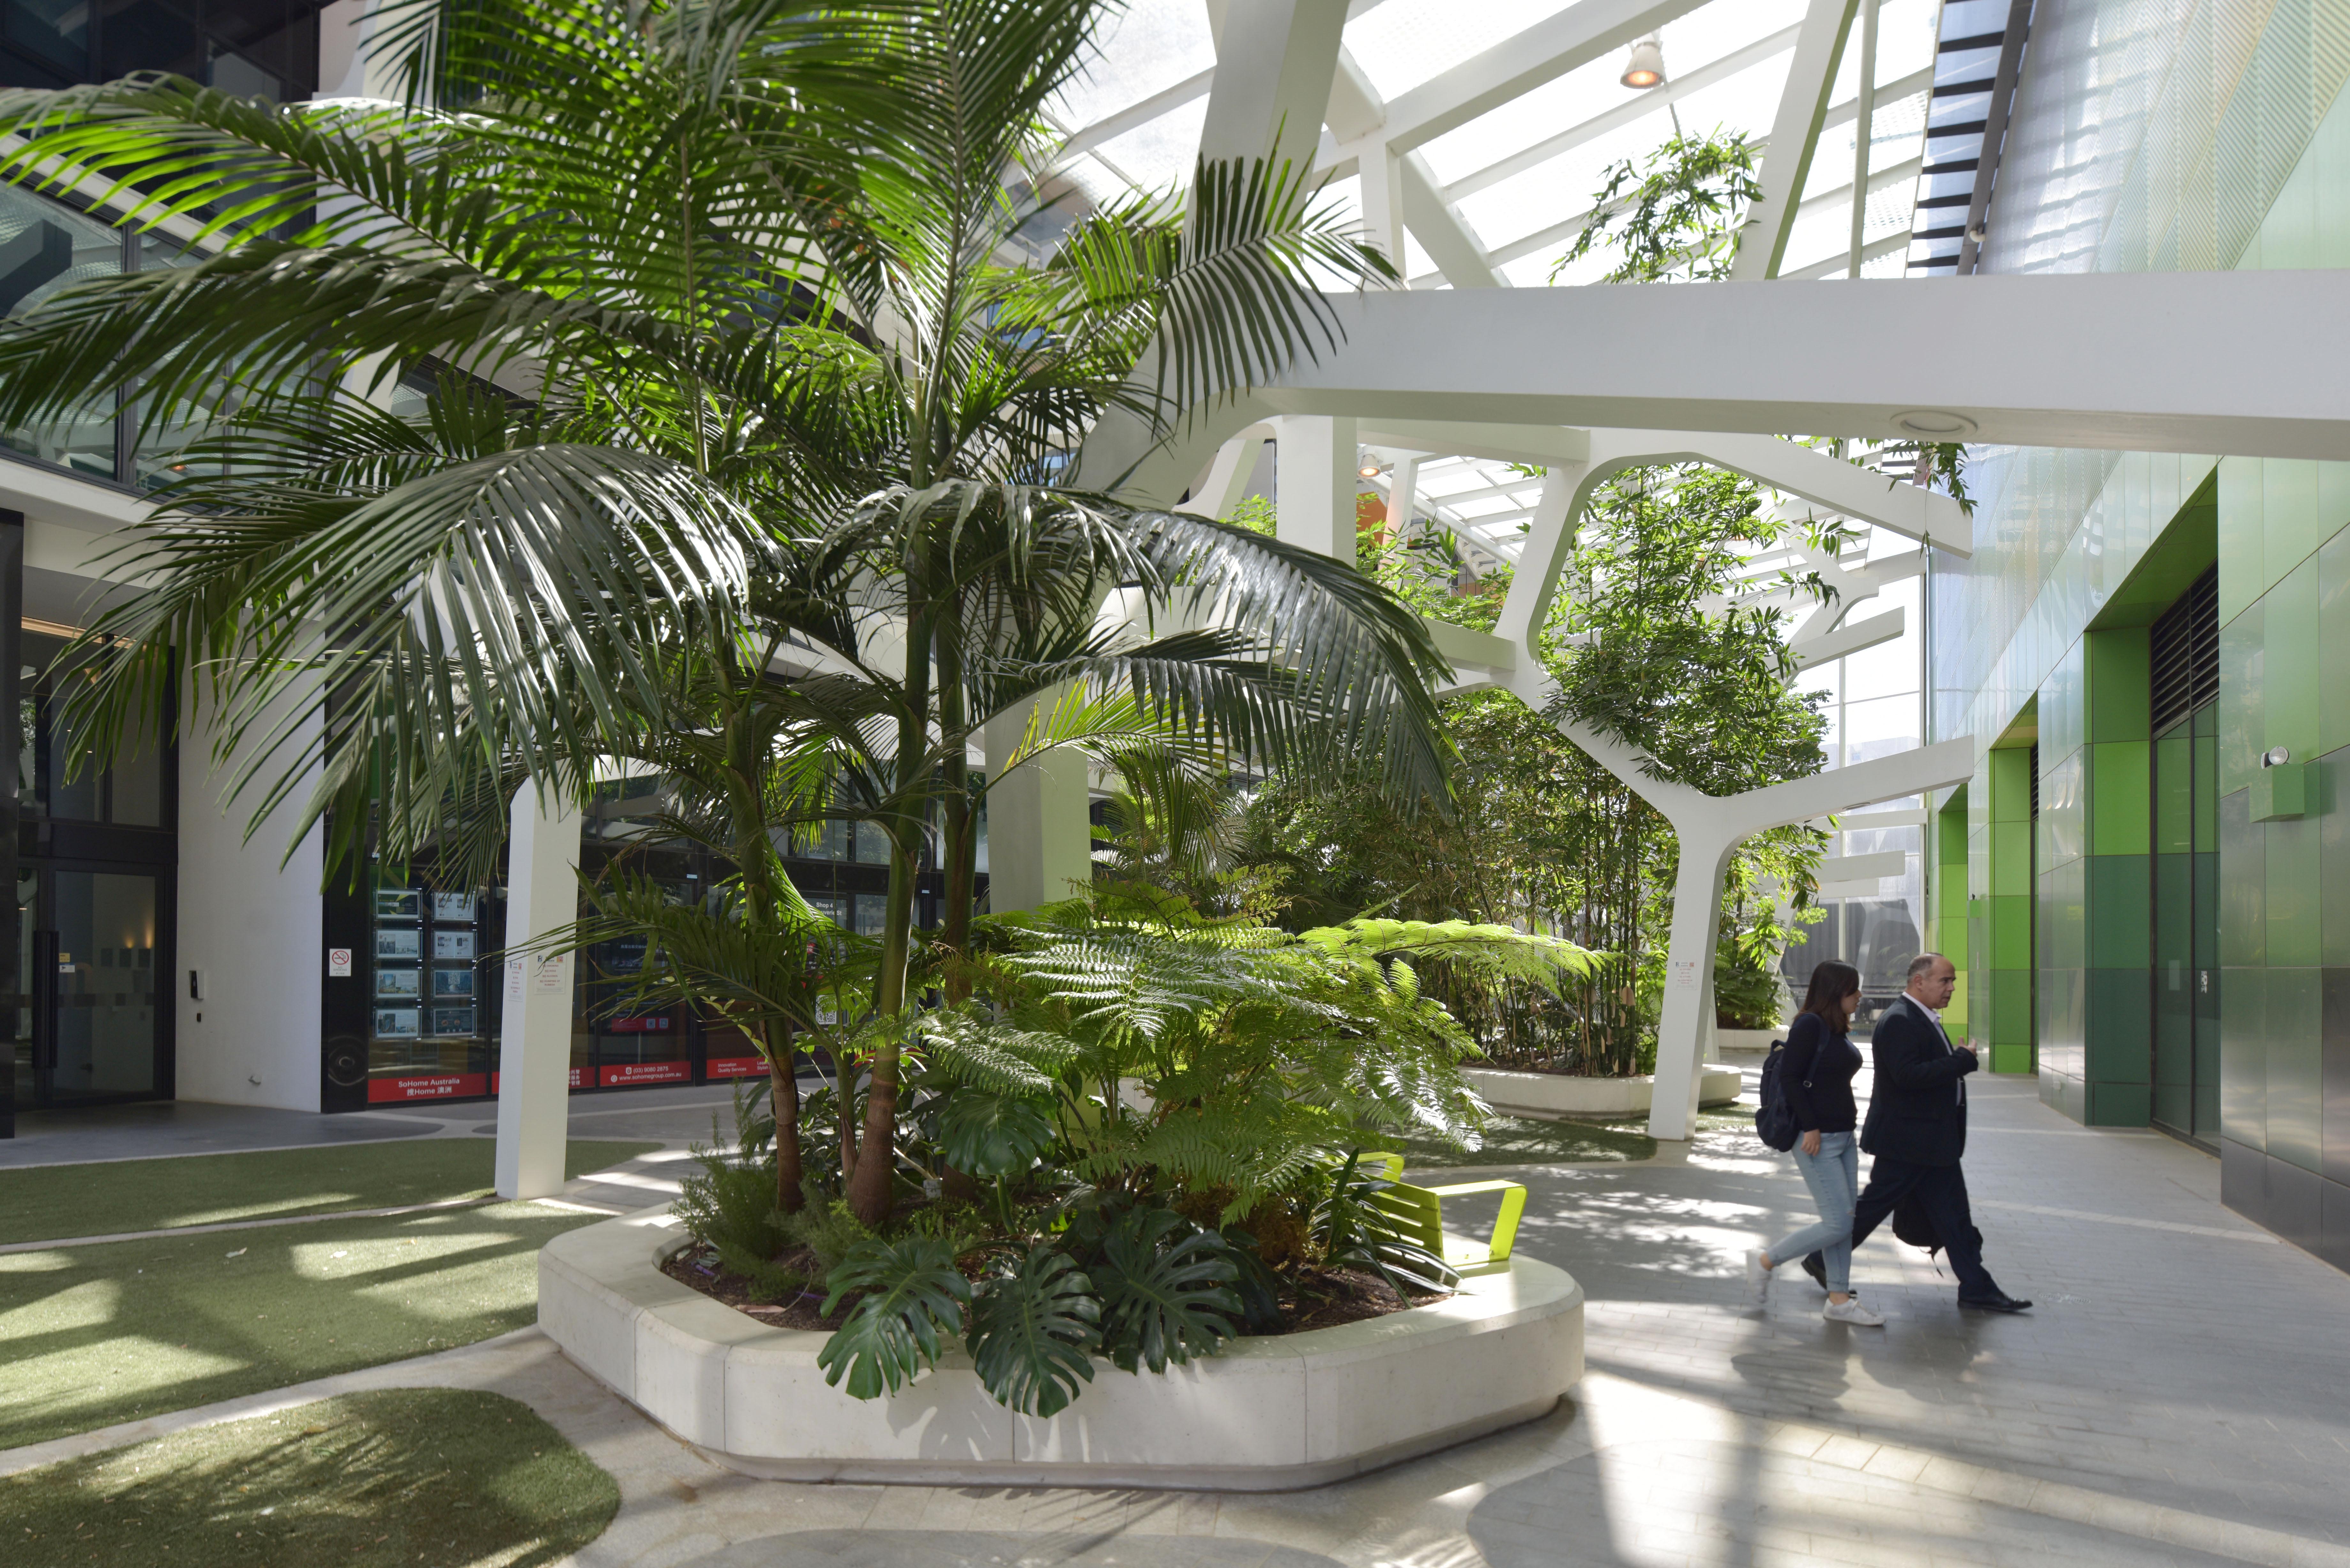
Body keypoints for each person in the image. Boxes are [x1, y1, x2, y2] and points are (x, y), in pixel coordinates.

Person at [1846, 952, 2032, 1313]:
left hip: (1929, 1144)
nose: (1951, 988)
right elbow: (1908, 1076)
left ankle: (1976, 1286)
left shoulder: (1919, 1017)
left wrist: (1956, 1061)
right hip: (1909, 1144)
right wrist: (1961, 1061)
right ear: (1919, 982)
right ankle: (1823, 1259)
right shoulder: (1901, 1020)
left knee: (1954, 1217)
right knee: (1873, 1209)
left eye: (1953, 982)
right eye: (1944, 981)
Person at [1745, 960, 1883, 1324]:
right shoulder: (1809, 1025)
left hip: (1843, 1138)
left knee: (1844, 1221)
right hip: (1816, 1141)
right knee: (1837, 1223)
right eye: (1854, 990)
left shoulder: (1836, 1027)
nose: (1859, 996)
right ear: (1836, 992)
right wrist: (1810, 1128)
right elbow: (1790, 1077)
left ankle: (1838, 1300)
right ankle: (1764, 1261)